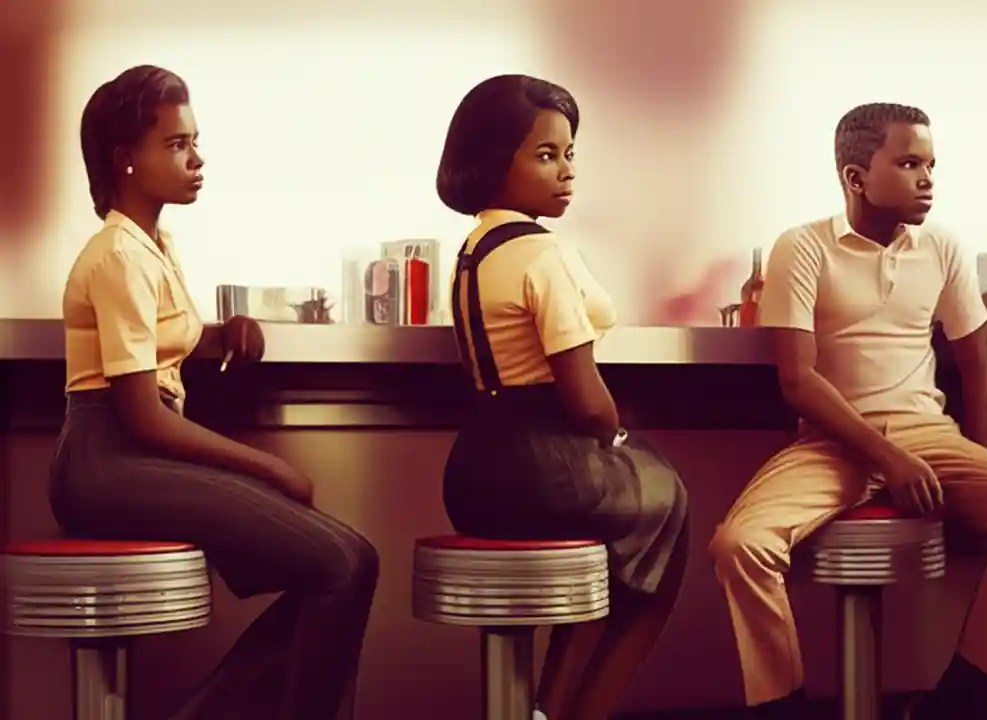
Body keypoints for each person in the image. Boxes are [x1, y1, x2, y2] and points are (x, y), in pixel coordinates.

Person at [707, 103, 987, 719]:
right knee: (739, 545)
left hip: (927, 432)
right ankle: (781, 706)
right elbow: (798, 380)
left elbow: (981, 370)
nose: (927, 178)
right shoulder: (802, 246)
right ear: (855, 176)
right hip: (830, 440)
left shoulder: (944, 247)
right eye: (908, 163)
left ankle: (954, 701)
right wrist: (887, 459)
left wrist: (976, 469)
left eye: (930, 164)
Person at [50, 65, 379, 720]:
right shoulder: (116, 254)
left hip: (130, 460)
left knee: (349, 563)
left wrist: (222, 333)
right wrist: (268, 465)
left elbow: (155, 351)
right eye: (176, 144)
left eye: (195, 141)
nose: (197, 159)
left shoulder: (153, 245)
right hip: (106, 464)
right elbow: (142, 415)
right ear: (126, 160)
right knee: (345, 565)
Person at [436, 74, 690, 720]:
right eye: (545, 155)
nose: (566, 171)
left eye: (569, 154)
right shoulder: (543, 255)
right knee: (667, 517)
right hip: (545, 461)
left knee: (617, 545)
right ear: (497, 162)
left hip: (475, 471)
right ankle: (570, 712)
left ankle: (542, 709)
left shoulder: (471, 253)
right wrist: (616, 434)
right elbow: (585, 401)